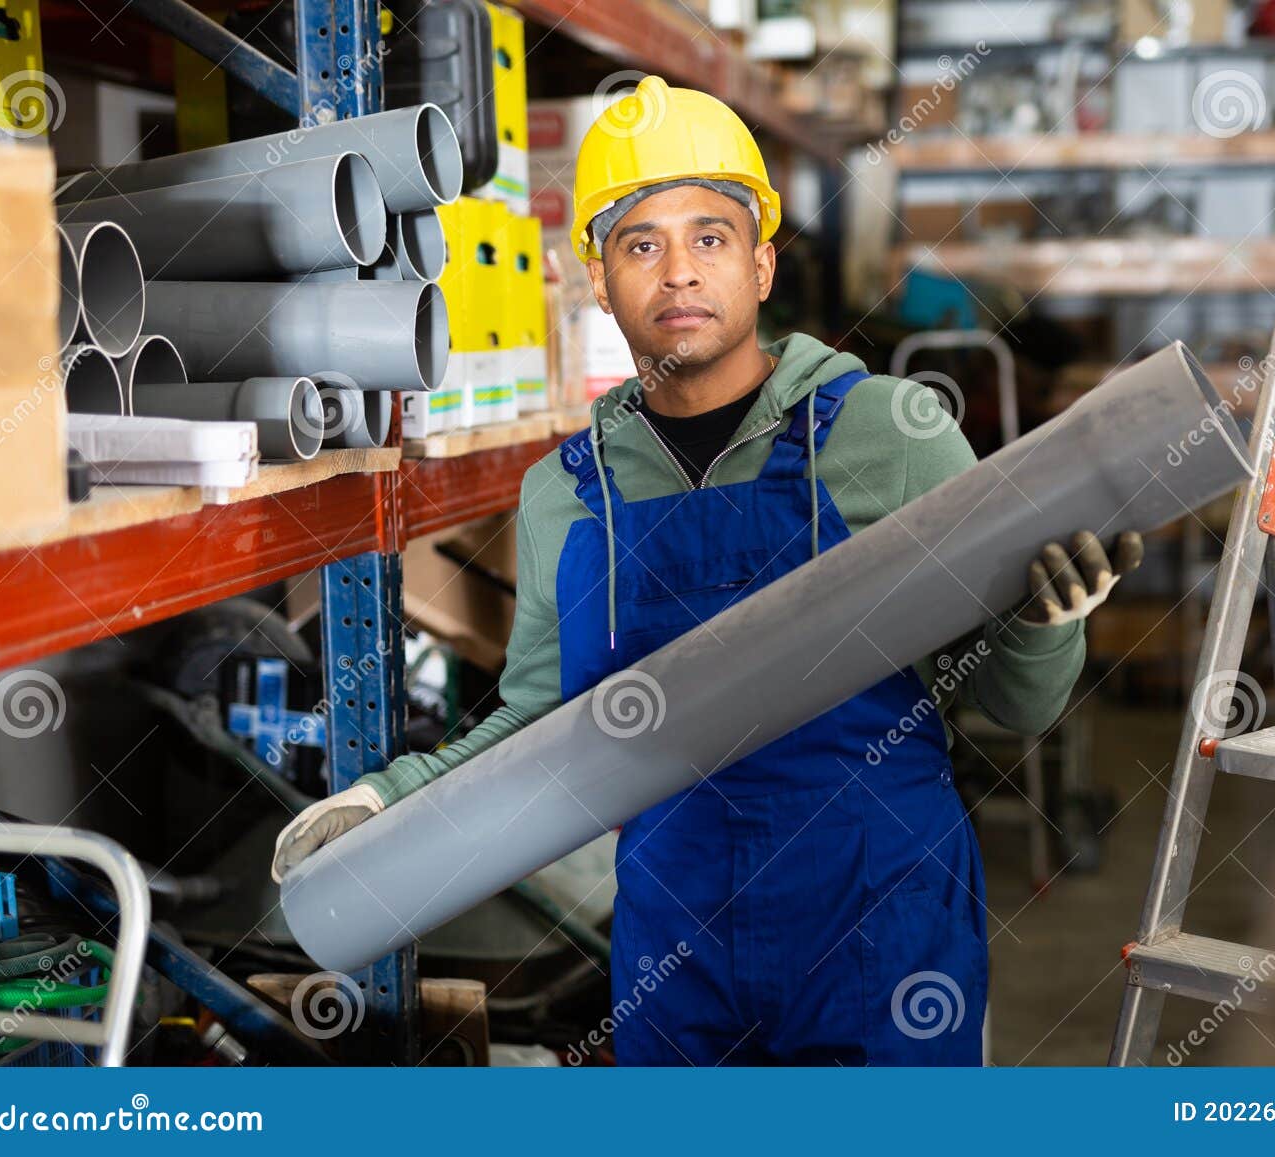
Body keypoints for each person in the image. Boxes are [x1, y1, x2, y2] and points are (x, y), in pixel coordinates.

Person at [271, 76, 1141, 1065]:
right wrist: (389, 802)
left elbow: (1015, 707)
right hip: (678, 955)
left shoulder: (889, 434)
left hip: (882, 935)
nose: (677, 271)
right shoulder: (566, 490)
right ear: (596, 279)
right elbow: (541, 722)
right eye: (641, 244)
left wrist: (1040, 619)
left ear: (763, 264)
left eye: (710, 237)